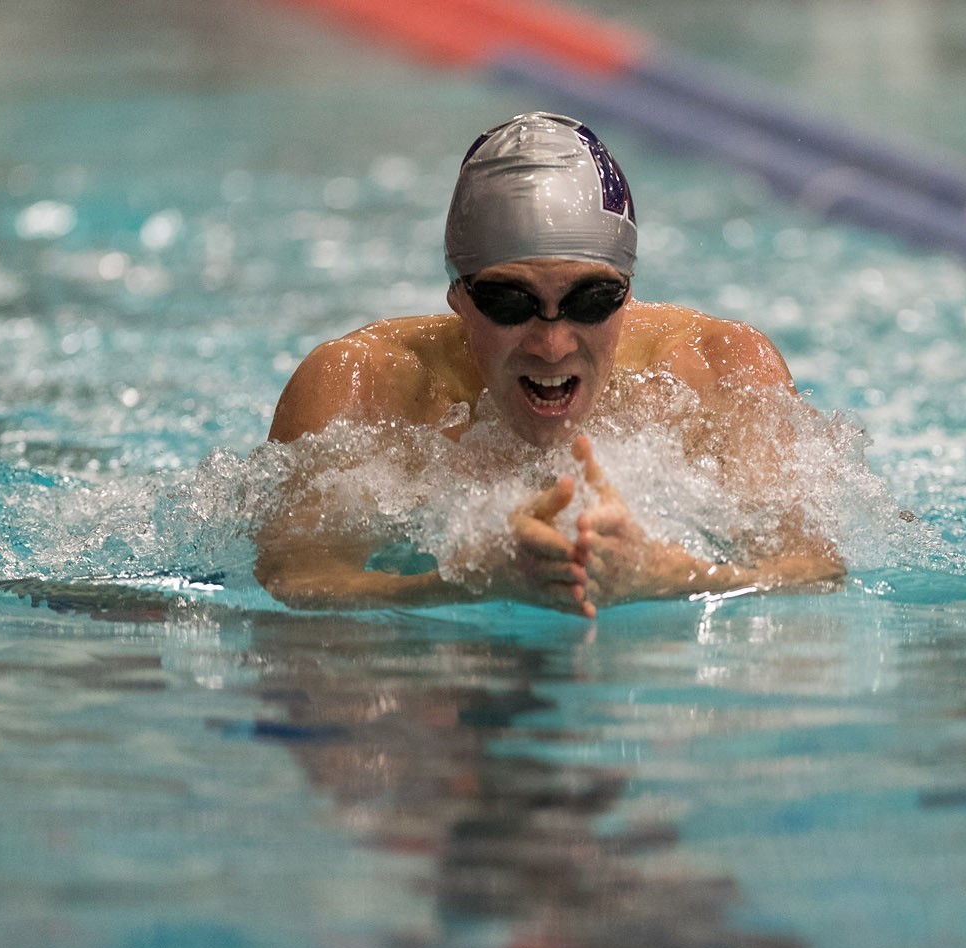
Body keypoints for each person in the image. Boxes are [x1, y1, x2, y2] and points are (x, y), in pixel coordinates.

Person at [257, 111, 843, 617]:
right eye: (511, 303)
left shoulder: (719, 370)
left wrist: (665, 576)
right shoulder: (360, 386)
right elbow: (295, 586)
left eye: (591, 300)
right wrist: (462, 582)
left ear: (628, 292)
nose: (553, 344)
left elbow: (814, 572)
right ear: (458, 296)